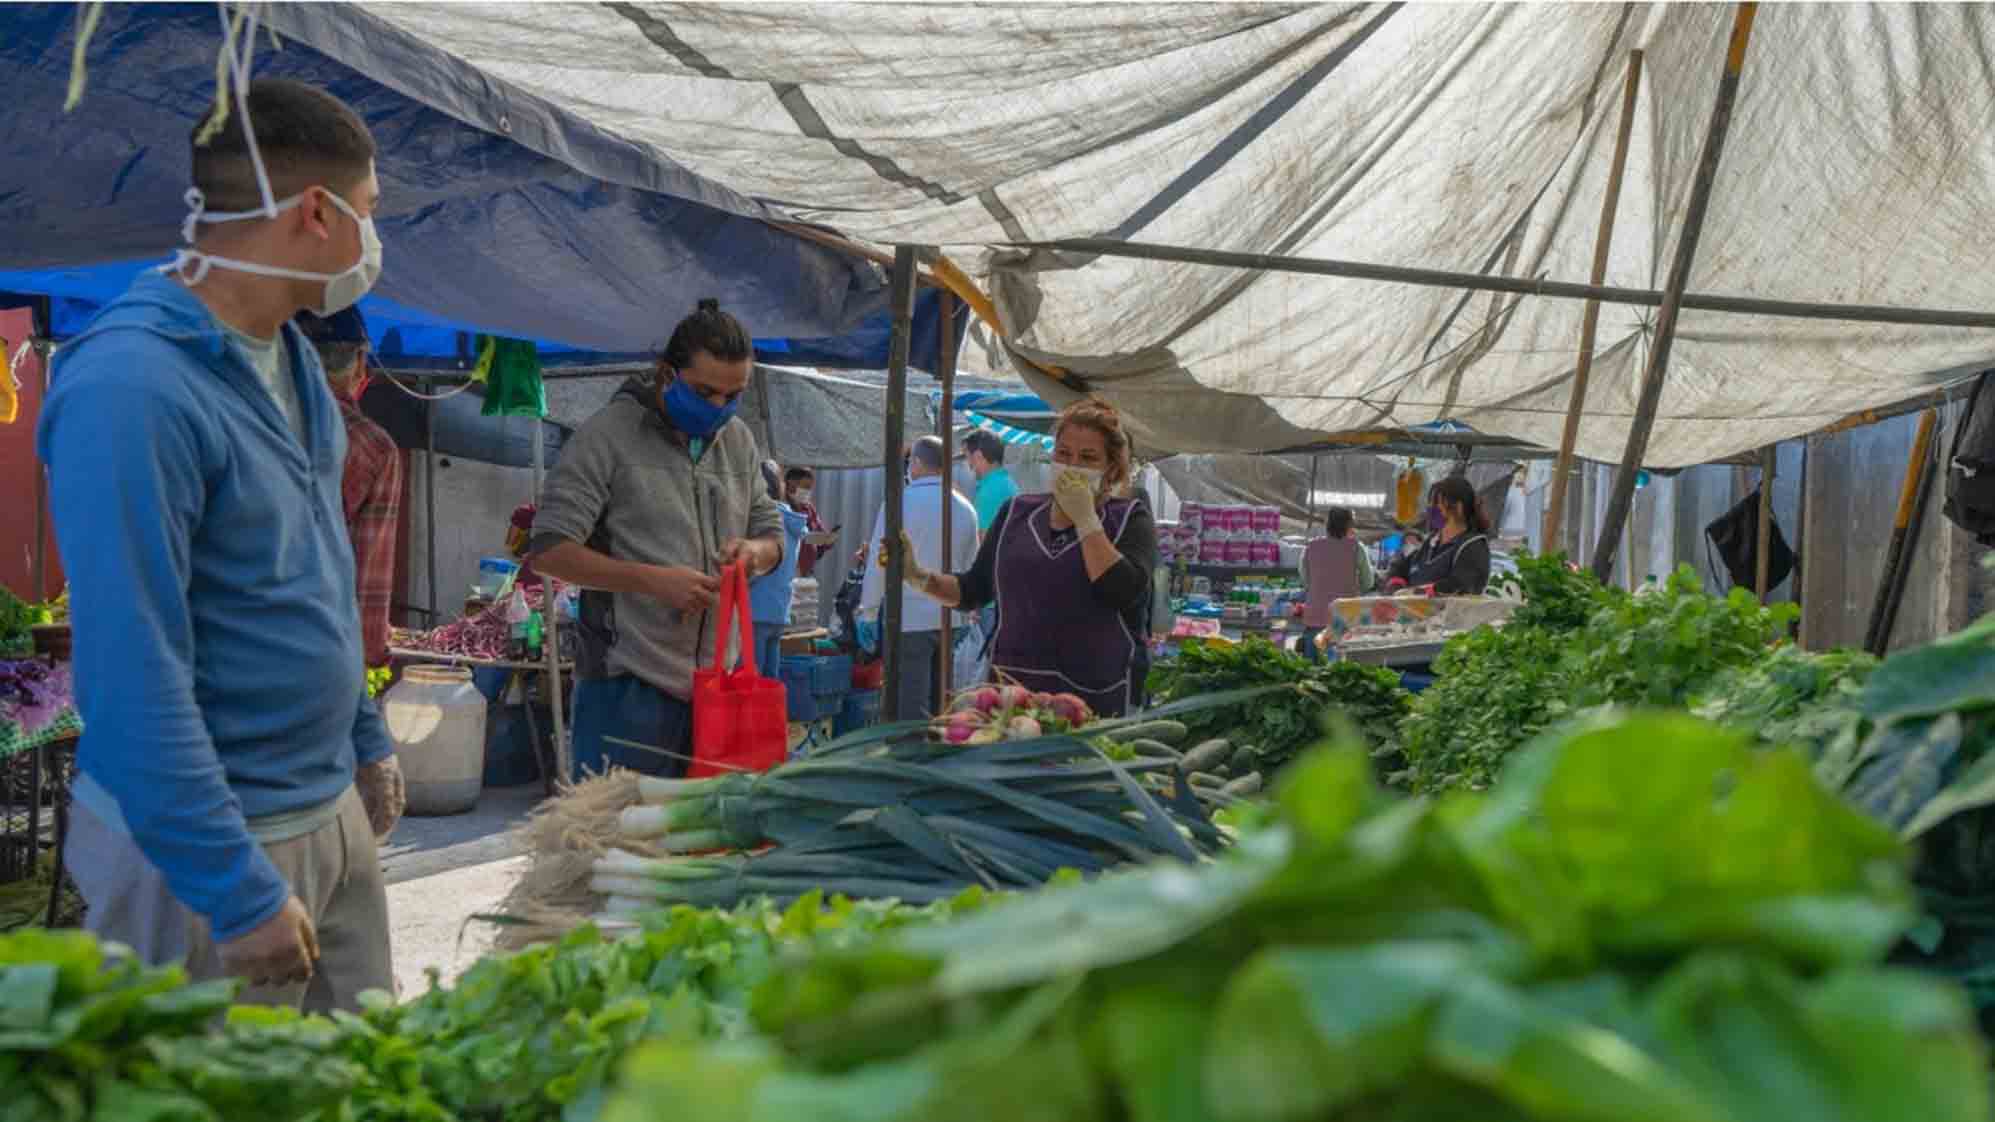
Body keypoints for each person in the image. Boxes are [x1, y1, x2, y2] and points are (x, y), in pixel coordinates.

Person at [36, 79, 402, 1008]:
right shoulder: (134, 387)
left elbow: (316, 572)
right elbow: (130, 665)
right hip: (207, 846)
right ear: (315, 214)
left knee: (361, 1085)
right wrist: (232, 888)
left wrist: (364, 735)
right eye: (368, 214)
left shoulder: (290, 362)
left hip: (321, 807)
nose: (373, 241)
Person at [530, 299, 784, 778]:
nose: (719, 409)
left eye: (733, 396)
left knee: (705, 845)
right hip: (628, 688)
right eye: (705, 392)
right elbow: (549, 552)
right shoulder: (606, 436)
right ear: (667, 373)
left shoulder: (739, 440)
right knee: (615, 838)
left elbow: (771, 534)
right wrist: (652, 581)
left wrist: (755, 554)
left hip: (719, 686)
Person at [891, 400, 1158, 717]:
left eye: (1088, 458)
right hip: (1014, 699)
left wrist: (1086, 518)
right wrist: (917, 576)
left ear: (1110, 469)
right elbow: (973, 590)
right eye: (1063, 454)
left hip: (1094, 701)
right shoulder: (1016, 513)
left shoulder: (1129, 519)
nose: (1072, 465)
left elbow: (1121, 591)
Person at [296, 305, 401, 670]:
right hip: (311, 654)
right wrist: (371, 650)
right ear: (359, 364)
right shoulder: (372, 446)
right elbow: (368, 582)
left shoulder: (231, 416)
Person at [862, 436, 979, 719]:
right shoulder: (965, 508)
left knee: (909, 705)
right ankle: (937, 758)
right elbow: (972, 567)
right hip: (949, 619)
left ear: (915, 462)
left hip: (908, 619)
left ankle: (908, 758)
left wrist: (868, 610)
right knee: (942, 701)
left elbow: (881, 561)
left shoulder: (899, 504)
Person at [749, 461, 812, 679]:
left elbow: (753, 567)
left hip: (756, 607)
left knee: (751, 677)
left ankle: (753, 715)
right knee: (771, 679)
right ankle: (772, 714)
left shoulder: (763, 518)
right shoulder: (793, 520)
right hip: (780, 609)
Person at [1386, 475, 1492, 595]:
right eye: (1431, 504)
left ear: (1458, 507)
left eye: (1438, 503)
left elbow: (1461, 586)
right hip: (1413, 611)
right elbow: (1399, 566)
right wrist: (1396, 586)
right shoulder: (1428, 541)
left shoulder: (1473, 546)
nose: (1432, 509)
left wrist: (1416, 593)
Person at [1298, 506, 1376, 661]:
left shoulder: (1311, 547)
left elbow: (1304, 579)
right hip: (1346, 616)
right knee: (1342, 669)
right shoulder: (1356, 547)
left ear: (1327, 525)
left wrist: (1318, 588)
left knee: (1311, 669)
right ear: (1349, 526)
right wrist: (1351, 587)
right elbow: (1368, 582)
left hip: (1316, 615)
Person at [963, 429, 1020, 533]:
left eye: (967, 456)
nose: (967, 463)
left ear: (978, 456)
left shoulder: (990, 490)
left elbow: (983, 542)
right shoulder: (1004, 481)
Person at [783, 467, 832, 579]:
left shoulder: (808, 507)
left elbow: (820, 529)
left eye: (810, 488)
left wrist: (827, 539)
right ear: (791, 483)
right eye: (805, 487)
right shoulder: (782, 506)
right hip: (788, 570)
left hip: (806, 571)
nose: (808, 492)